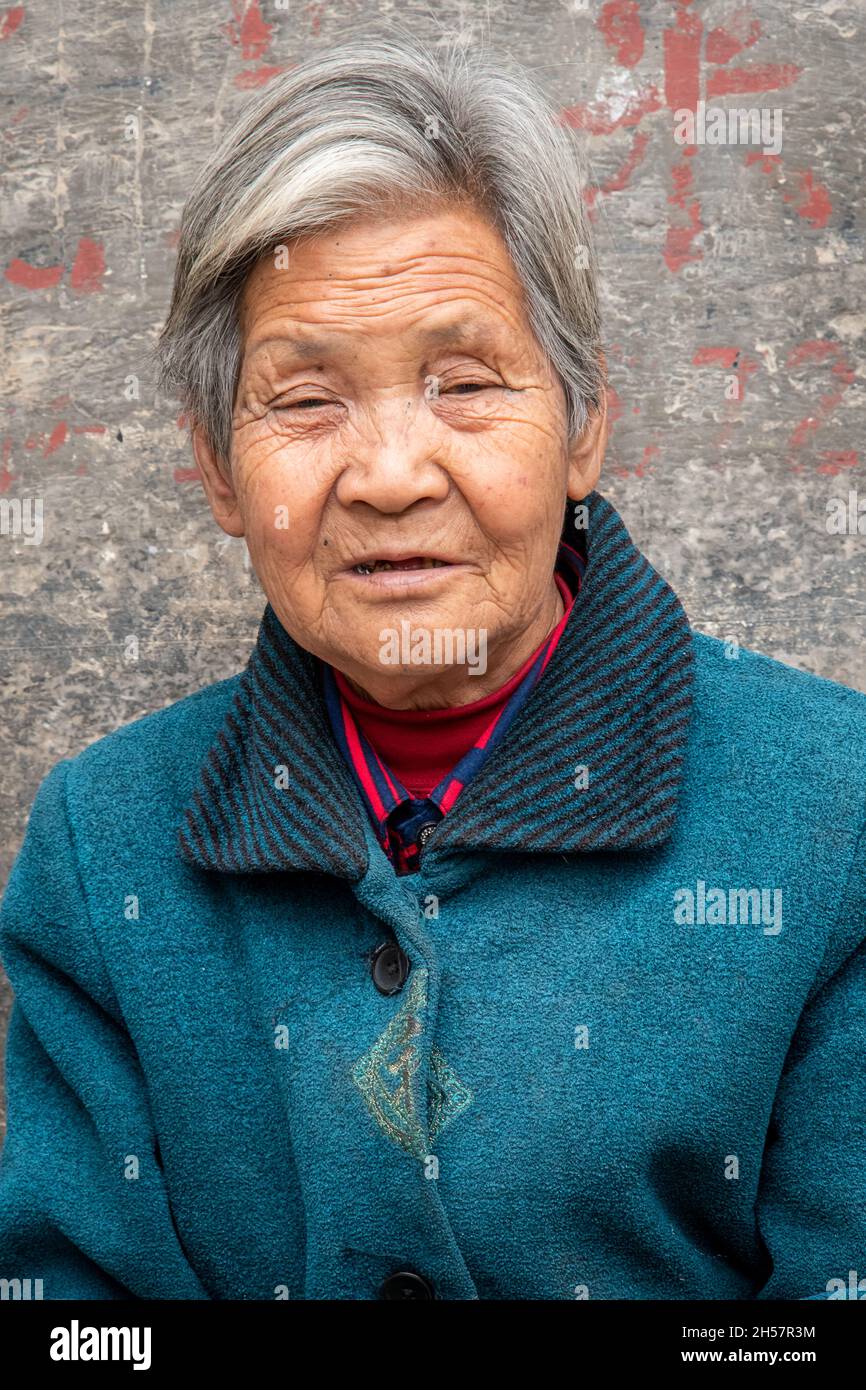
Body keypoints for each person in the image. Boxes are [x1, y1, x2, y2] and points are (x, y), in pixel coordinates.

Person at [0, 31, 864, 1301]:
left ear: (581, 426)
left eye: (463, 384)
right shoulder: (107, 844)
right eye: (303, 402)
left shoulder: (831, 815)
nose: (393, 475)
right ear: (214, 469)